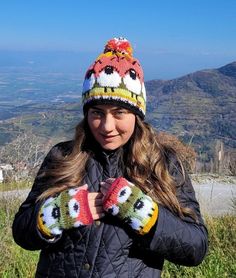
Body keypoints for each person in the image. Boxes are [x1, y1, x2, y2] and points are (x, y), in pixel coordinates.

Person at [12, 37, 208, 278]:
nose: (106, 126)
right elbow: (21, 232)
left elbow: (196, 247)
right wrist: (56, 214)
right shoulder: (63, 156)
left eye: (119, 113)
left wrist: (146, 215)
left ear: (137, 114)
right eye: (97, 113)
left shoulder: (163, 163)